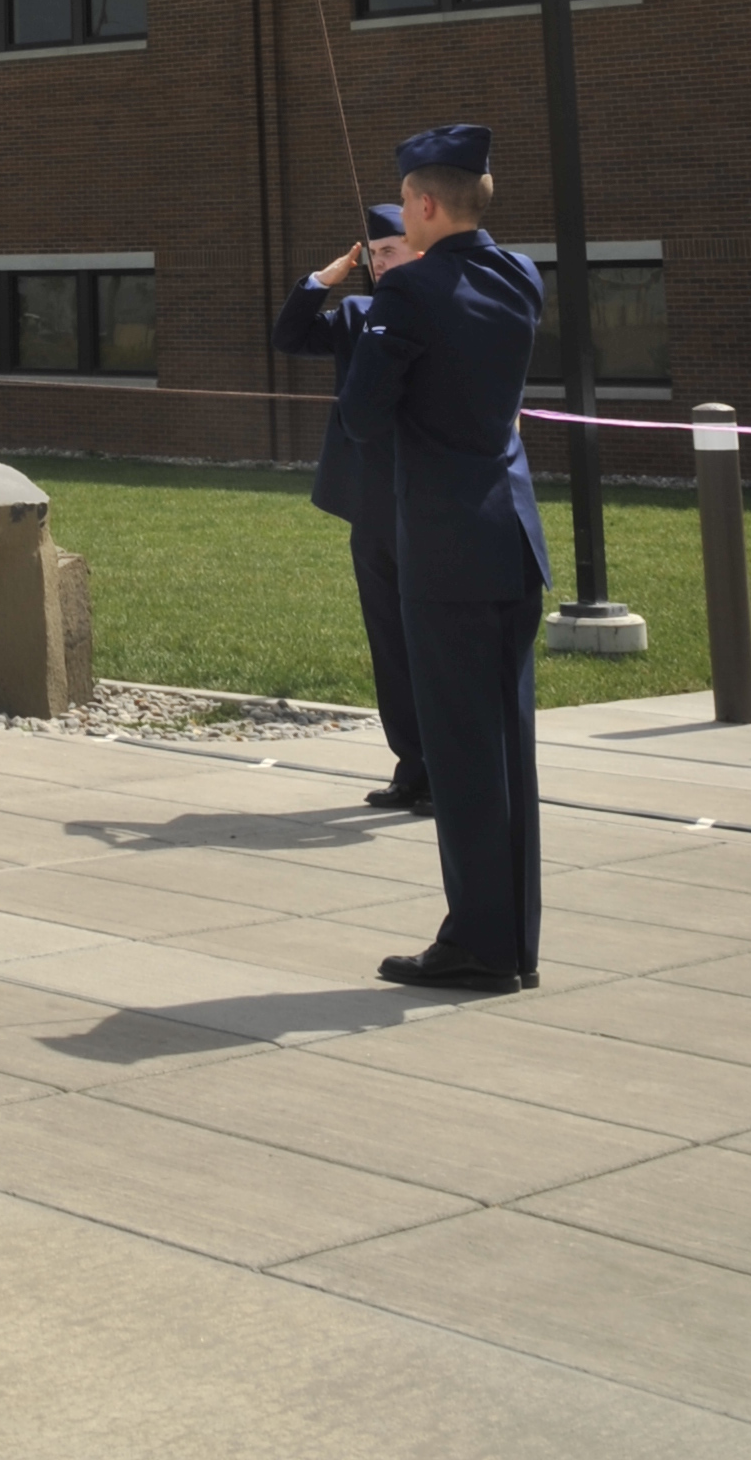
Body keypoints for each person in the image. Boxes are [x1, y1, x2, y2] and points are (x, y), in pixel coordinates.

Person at [339, 120, 549, 995]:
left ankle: (477, 946)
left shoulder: (412, 293)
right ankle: (513, 942)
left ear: (423, 205)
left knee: (465, 758)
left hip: (446, 548)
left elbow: (362, 414)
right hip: (512, 535)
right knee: (510, 752)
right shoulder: (522, 274)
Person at [273, 200, 427, 814]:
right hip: (372, 505)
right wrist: (323, 280)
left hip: (429, 502)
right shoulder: (358, 313)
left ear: (421, 249)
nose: (383, 265)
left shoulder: (444, 308)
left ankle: (448, 772)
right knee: (390, 645)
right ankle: (412, 769)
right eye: (376, 255)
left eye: (393, 251)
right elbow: (288, 336)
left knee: (432, 643)